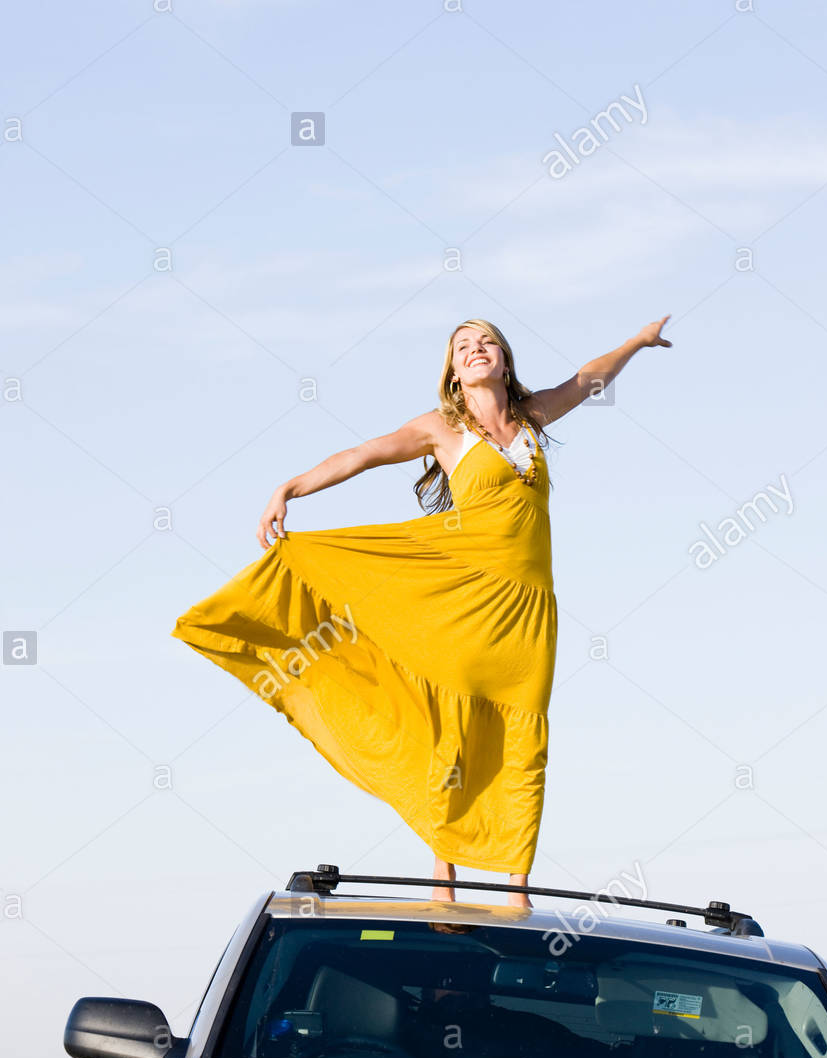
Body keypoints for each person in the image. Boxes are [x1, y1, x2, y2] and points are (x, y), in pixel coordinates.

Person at [171, 316, 672, 906]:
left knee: (525, 732)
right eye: (464, 347)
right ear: (454, 374)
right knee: (455, 732)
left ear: (504, 362)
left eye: (486, 342)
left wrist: (636, 342)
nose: (476, 350)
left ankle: (516, 888)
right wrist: (291, 487)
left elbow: (587, 379)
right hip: (463, 602)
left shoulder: (531, 418)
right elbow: (366, 454)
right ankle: (445, 883)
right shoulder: (443, 430)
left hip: (528, 612)